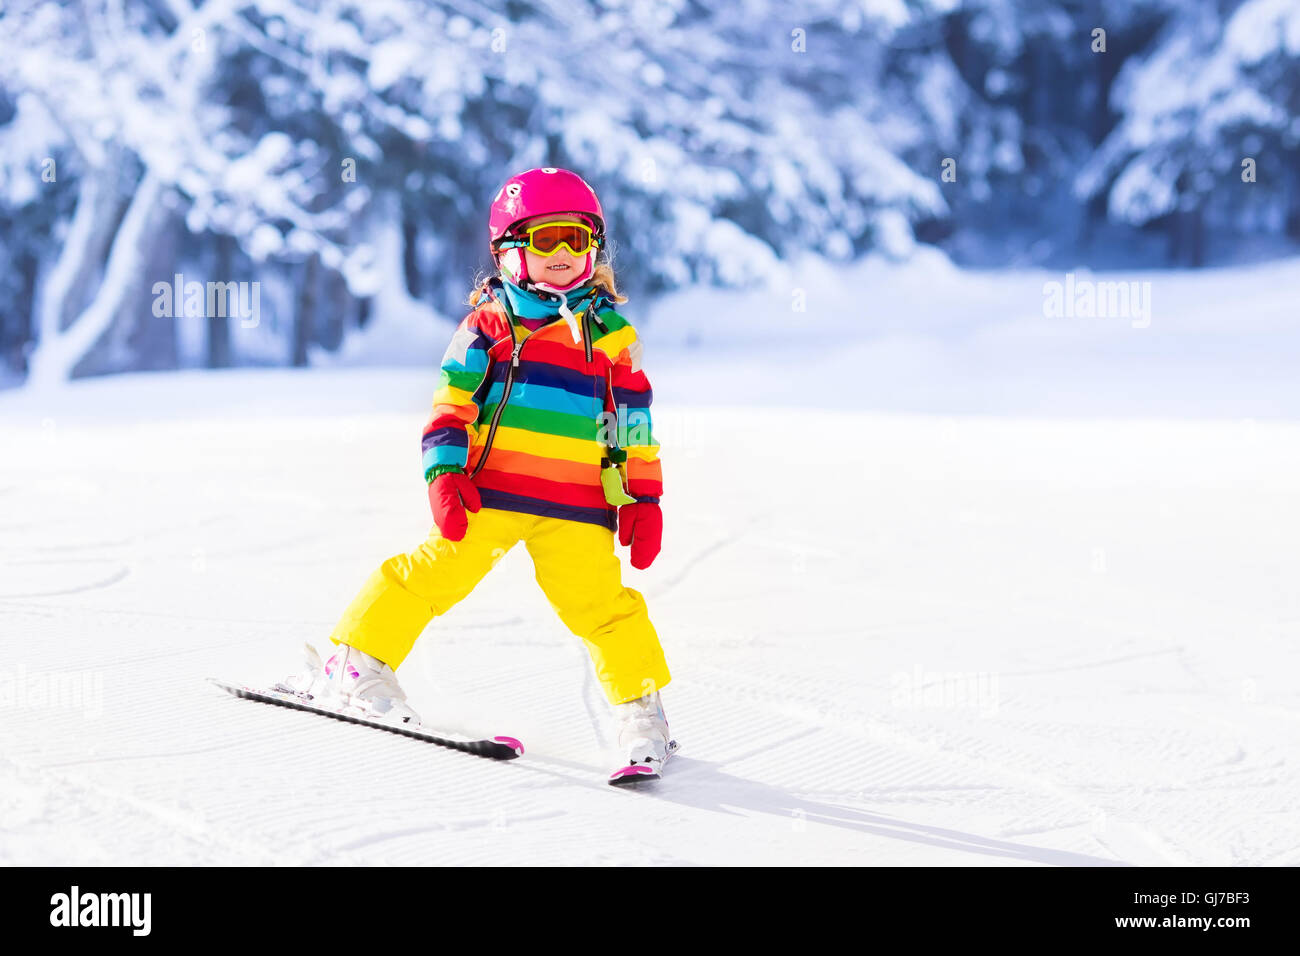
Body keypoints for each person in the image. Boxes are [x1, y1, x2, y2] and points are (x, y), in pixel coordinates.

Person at [283, 167, 675, 775]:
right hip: (490, 494)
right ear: (511, 250)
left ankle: (640, 710)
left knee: (606, 607)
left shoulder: (613, 338)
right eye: (547, 240)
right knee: (429, 576)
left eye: (577, 238)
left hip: (577, 508)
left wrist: (642, 499)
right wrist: (443, 473)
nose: (565, 255)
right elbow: (451, 405)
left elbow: (632, 424)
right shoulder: (490, 327)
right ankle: (354, 663)